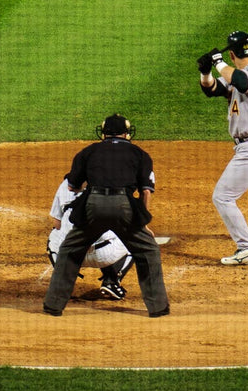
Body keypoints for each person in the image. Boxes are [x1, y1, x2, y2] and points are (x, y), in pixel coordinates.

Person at [42, 114, 169, 317]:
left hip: (93, 205)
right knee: (148, 251)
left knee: (69, 249)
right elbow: (145, 191)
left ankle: (53, 305)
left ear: (103, 133)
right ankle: (158, 308)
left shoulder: (88, 151)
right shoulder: (139, 154)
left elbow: (72, 187)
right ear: (127, 133)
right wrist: (142, 222)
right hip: (124, 206)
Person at [197, 31, 248, 265]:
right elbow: (213, 90)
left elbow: (241, 83)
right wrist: (205, 72)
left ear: (232, 55)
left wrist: (218, 62)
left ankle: (246, 249)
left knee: (222, 197)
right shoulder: (240, 73)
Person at [47, 176, 134, 301]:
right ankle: (112, 281)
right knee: (133, 236)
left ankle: (63, 282)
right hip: (105, 255)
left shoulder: (66, 183)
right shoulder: (112, 184)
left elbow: (57, 224)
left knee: (54, 235)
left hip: (70, 253)